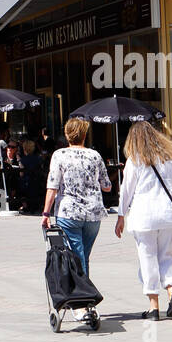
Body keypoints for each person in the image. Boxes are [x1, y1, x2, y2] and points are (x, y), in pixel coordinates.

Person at [116, 121, 172, 321]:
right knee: (167, 257)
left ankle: (153, 307)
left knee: (148, 258)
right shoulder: (169, 160)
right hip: (168, 215)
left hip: (144, 216)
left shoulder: (135, 160)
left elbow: (126, 191)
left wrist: (120, 216)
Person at [42, 117, 112, 288]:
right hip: (93, 214)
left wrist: (45, 213)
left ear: (67, 134)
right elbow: (107, 186)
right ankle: (84, 296)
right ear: (84, 135)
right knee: (82, 255)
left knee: (76, 256)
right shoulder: (95, 155)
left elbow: (52, 186)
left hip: (69, 212)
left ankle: (83, 299)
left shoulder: (59, 155)